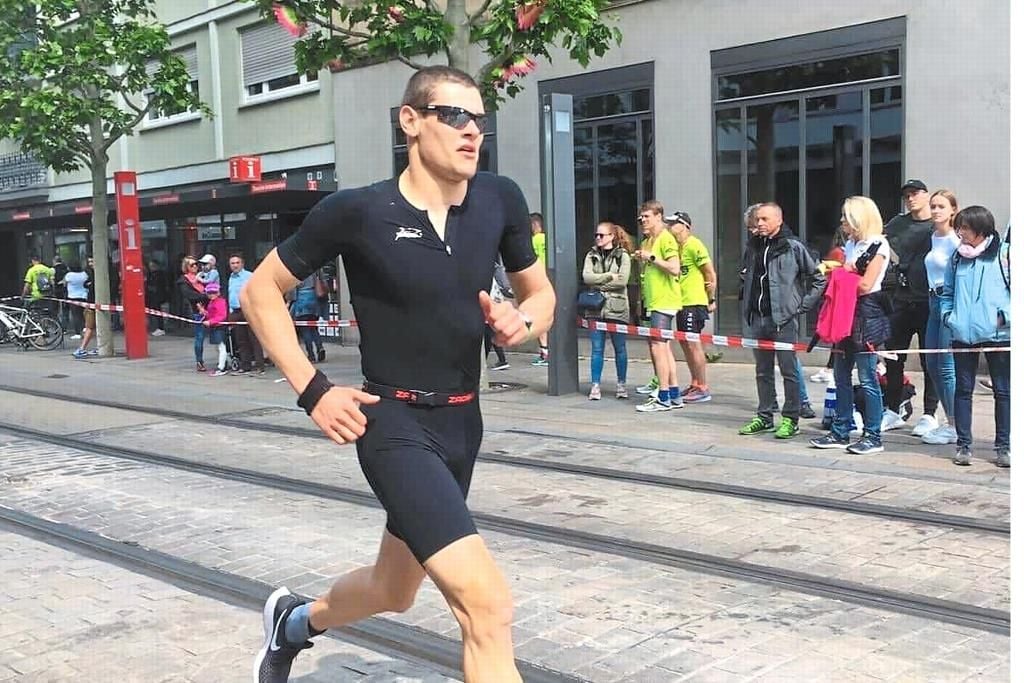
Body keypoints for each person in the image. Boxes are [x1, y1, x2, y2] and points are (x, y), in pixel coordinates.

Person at [242, 65, 554, 683]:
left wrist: (526, 322)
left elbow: (539, 292)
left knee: (394, 588)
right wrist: (314, 391)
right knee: (487, 608)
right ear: (410, 121)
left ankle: (295, 623)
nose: (473, 133)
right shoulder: (358, 211)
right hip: (395, 426)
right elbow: (260, 293)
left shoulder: (500, 199)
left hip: (465, 423)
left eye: (480, 121)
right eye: (455, 116)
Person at [810, 197, 891, 454]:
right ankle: (841, 429)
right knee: (840, 374)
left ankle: (873, 434)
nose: (843, 222)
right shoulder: (851, 244)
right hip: (845, 310)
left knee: (868, 377)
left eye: (847, 217)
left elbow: (866, 284)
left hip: (866, 312)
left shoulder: (878, 245)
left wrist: (840, 278)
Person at [738, 203, 825, 439]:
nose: (760, 224)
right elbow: (746, 277)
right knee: (762, 370)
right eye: (757, 220)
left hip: (783, 319)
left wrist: (802, 305)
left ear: (779, 219)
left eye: (765, 219)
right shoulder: (754, 246)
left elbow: (818, 278)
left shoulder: (792, 246)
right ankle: (764, 416)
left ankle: (791, 418)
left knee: (789, 370)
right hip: (759, 318)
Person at [939, 206, 1010, 467]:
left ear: (980, 229)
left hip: (999, 335)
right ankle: (963, 445)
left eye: (965, 228)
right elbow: (947, 292)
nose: (960, 232)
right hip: (963, 335)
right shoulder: (957, 257)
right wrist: (950, 318)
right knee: (963, 390)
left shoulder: (1004, 255)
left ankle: (1004, 446)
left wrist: (1005, 319)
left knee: (1003, 391)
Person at [881, 179, 940, 433]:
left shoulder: (938, 225)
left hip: (928, 301)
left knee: (930, 360)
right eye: (907, 195)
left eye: (915, 194)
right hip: (901, 300)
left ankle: (930, 414)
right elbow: (880, 240)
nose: (911, 199)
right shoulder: (897, 224)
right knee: (894, 356)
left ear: (926, 195)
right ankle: (893, 409)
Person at [918, 190, 960, 445]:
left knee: (946, 365)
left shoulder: (957, 240)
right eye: (933, 206)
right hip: (932, 298)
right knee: (931, 364)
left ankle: (956, 424)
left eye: (941, 206)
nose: (935, 211)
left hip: (948, 299)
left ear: (953, 210)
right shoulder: (931, 237)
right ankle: (949, 420)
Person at [633, 200, 683, 412]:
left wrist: (651, 257)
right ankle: (673, 393)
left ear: (658, 216)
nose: (643, 221)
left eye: (647, 216)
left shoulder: (665, 238)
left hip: (664, 300)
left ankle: (663, 396)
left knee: (658, 346)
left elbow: (675, 268)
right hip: (652, 301)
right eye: (641, 217)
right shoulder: (647, 241)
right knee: (664, 347)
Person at [667, 211, 716, 404]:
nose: (670, 228)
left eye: (674, 224)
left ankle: (703, 387)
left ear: (685, 226)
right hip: (681, 303)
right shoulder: (676, 248)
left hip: (694, 302)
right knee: (685, 344)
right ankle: (695, 382)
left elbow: (710, 274)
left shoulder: (694, 244)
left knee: (694, 344)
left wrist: (710, 300)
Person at [582, 221, 632, 400]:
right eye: (596, 235)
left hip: (617, 309)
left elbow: (623, 281)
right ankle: (595, 385)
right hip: (595, 308)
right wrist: (609, 276)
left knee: (620, 348)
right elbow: (587, 277)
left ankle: (621, 384)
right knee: (596, 349)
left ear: (611, 236)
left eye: (601, 235)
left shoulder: (622, 255)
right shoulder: (591, 254)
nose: (598, 238)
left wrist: (599, 283)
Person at [227, 254, 266, 376]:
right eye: (232, 263)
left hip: (248, 310)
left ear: (242, 264)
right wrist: (230, 311)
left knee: (254, 339)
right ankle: (246, 365)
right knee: (241, 340)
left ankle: (260, 366)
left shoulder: (249, 276)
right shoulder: (231, 277)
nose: (235, 265)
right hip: (236, 311)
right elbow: (231, 294)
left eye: (237, 263)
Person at [176, 256, 209, 372]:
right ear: (186, 267)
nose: (195, 266)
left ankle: (223, 360)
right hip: (197, 311)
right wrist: (205, 296)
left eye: (196, 264)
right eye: (192, 265)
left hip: (212, 309)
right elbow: (189, 295)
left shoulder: (203, 276)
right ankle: (199, 361)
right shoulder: (183, 281)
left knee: (219, 335)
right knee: (200, 337)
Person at [290, 273, 325, 364]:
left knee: (305, 329)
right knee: (313, 326)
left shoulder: (298, 272)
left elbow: (293, 293)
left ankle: (311, 354)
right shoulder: (314, 271)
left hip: (302, 302)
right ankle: (320, 347)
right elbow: (323, 281)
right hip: (313, 299)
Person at [529, 212, 549, 366]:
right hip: (549, 280)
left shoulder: (533, 241)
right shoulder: (548, 239)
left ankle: (544, 352)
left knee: (539, 318)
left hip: (537, 282)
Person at [485, 260, 513, 371]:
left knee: (489, 336)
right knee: (491, 335)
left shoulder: (487, 276)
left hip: (489, 309)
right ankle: (501, 360)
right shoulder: (495, 275)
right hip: (494, 307)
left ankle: (500, 360)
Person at [200, 282, 230, 376]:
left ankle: (221, 367)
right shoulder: (212, 302)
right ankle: (223, 364)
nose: (211, 294)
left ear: (218, 292)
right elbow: (212, 314)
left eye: (213, 292)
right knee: (218, 347)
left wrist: (210, 322)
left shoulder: (220, 302)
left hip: (219, 327)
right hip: (215, 327)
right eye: (209, 293)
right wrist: (205, 313)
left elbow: (222, 316)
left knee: (221, 347)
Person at [63, 261, 88, 341]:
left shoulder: (69, 275)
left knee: (75, 315)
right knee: (83, 314)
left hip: (73, 297)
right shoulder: (84, 274)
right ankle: (84, 328)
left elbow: (64, 283)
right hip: (84, 296)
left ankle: (78, 333)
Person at [145, 259, 169, 336]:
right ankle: (158, 327)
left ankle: (160, 328)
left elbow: (157, 286)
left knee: (158, 312)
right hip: (154, 296)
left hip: (157, 296)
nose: (151, 267)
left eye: (152, 266)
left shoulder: (158, 275)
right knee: (155, 312)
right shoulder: (152, 274)